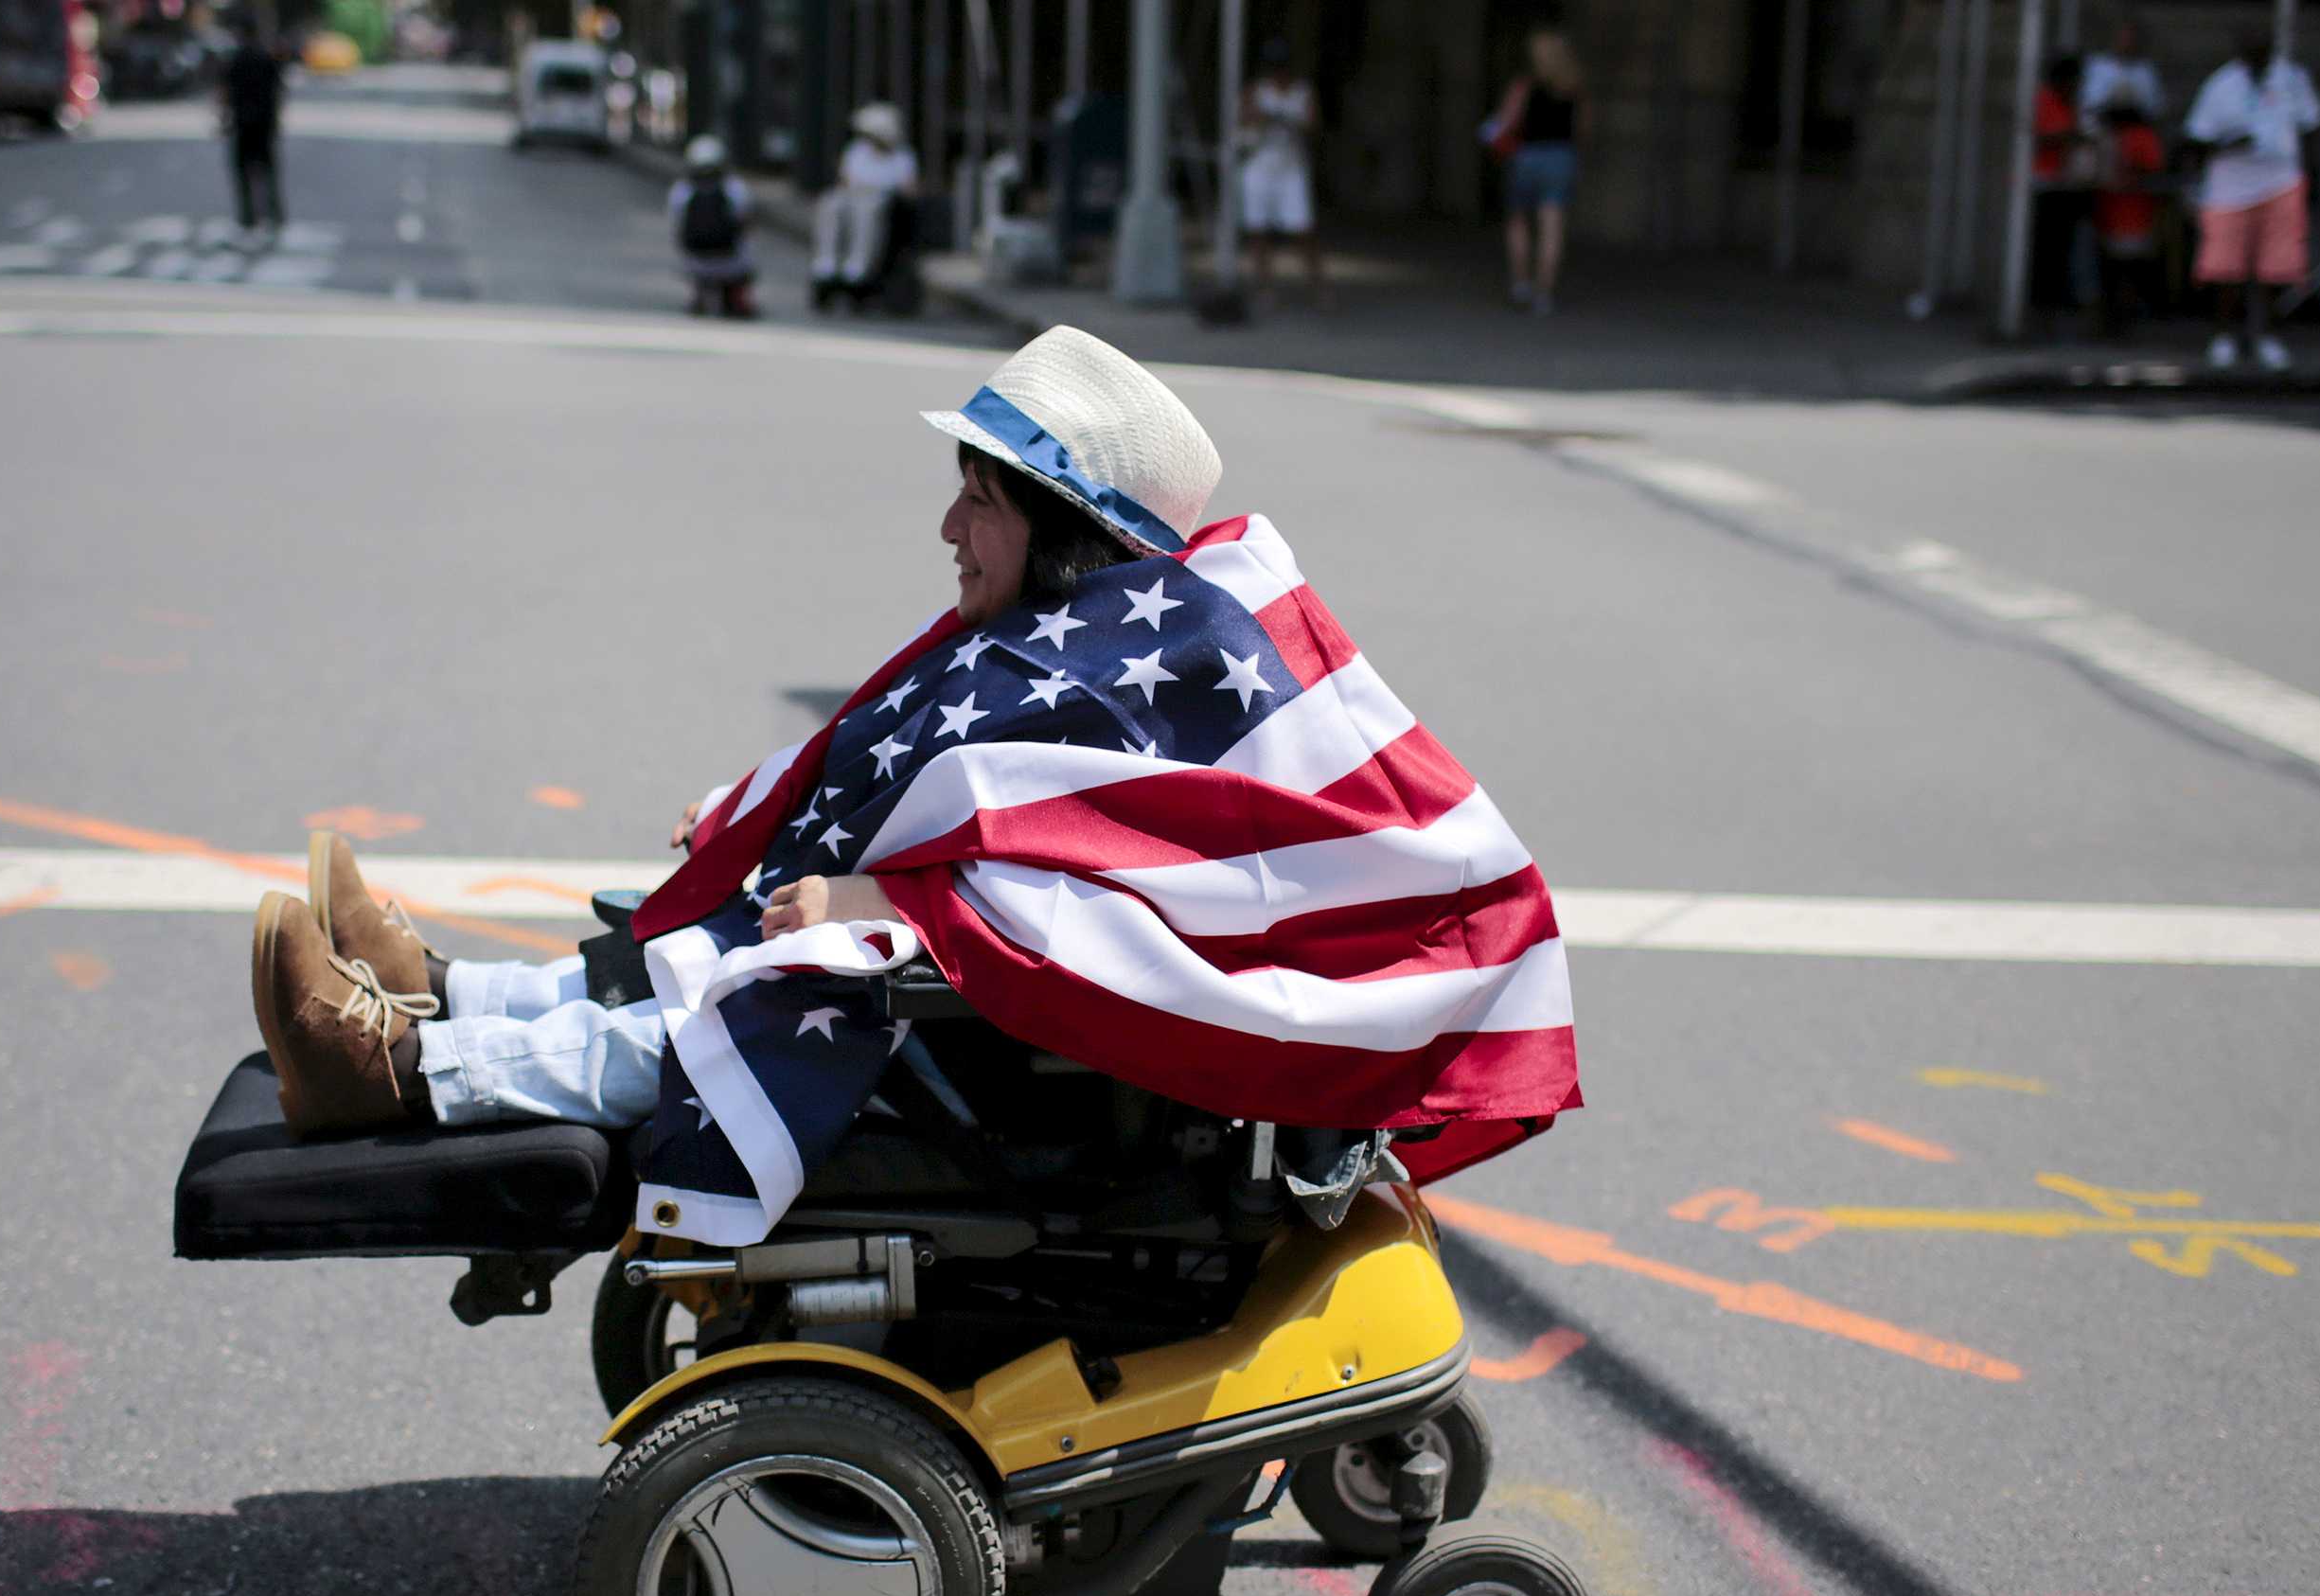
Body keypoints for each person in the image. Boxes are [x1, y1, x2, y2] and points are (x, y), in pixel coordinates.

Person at [242, 326, 1579, 1245]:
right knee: (744, 935)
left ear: (1062, 525)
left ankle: (415, 1069)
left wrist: (885, 909)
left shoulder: (1146, 662)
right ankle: (455, 995)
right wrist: (819, 855)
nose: (950, 529)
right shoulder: (1106, 631)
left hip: (1021, 1065)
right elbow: (991, 808)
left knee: (763, 994)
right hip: (991, 1018)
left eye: (979, 503)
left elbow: (1112, 909)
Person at [2183, 35, 2320, 371]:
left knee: (2275, 269)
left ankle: (2267, 337)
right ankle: (2224, 337)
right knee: (2225, 270)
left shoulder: (2292, 79)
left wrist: (2315, 176)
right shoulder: (2220, 85)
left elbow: (2312, 126)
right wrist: (2231, 145)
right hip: (2229, 190)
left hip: (2279, 184)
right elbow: (2196, 139)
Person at [1488, 28, 1586, 316]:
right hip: (1561, 157)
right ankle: (1544, 293)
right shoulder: (1575, 87)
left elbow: (1505, 121)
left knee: (1518, 220)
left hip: (1527, 156)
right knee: (1552, 227)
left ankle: (1521, 283)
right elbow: (1583, 128)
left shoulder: (1524, 85)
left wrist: (1491, 135)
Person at [1237, 40, 1325, 304]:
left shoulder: (1302, 92)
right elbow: (1242, 120)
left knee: (1303, 229)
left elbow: (1313, 126)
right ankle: (1264, 287)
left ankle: (1318, 287)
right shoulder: (1256, 91)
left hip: (1291, 168)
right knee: (1258, 229)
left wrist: (1289, 121)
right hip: (1260, 167)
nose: (1278, 73)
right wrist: (1261, 118)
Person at [809, 101, 917, 311]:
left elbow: (908, 189)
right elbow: (845, 180)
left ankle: (858, 265)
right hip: (852, 198)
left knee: (867, 212)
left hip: (880, 205)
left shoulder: (903, 157)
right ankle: (826, 262)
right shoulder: (857, 151)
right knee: (831, 203)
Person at [2028, 53, 2094, 333]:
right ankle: (2039, 312)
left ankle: (2056, 309)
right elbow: (2038, 137)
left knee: (2062, 252)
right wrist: (2067, 135)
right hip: (2044, 186)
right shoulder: (2043, 100)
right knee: (2044, 253)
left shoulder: (2071, 105)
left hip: (2066, 184)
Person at [2094, 100, 2166, 338]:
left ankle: (2124, 318)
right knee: (2114, 270)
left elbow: (2152, 169)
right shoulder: (2110, 137)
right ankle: (2112, 319)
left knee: (2128, 269)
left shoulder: (2140, 136)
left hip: (2134, 214)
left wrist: (2130, 170)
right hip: (2111, 213)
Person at [669, 133, 755, 317]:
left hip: (695, 262)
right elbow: (746, 223)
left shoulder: (681, 190)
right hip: (733, 262)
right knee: (746, 243)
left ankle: (698, 294)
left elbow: (677, 227)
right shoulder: (736, 188)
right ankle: (738, 296)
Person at [219, 13, 286, 238]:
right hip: (264, 123)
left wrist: (223, 119)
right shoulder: (266, 57)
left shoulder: (236, 59)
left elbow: (225, 92)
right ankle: (274, 214)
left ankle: (249, 217)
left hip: (242, 123)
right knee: (268, 170)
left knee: (244, 172)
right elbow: (279, 90)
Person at [2079, 14, 2164, 122]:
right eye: (2124, 37)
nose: (2127, 42)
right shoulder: (2097, 66)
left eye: (2131, 37)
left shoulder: (2146, 71)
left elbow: (2156, 109)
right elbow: (2088, 103)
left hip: (2135, 129)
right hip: (2100, 130)